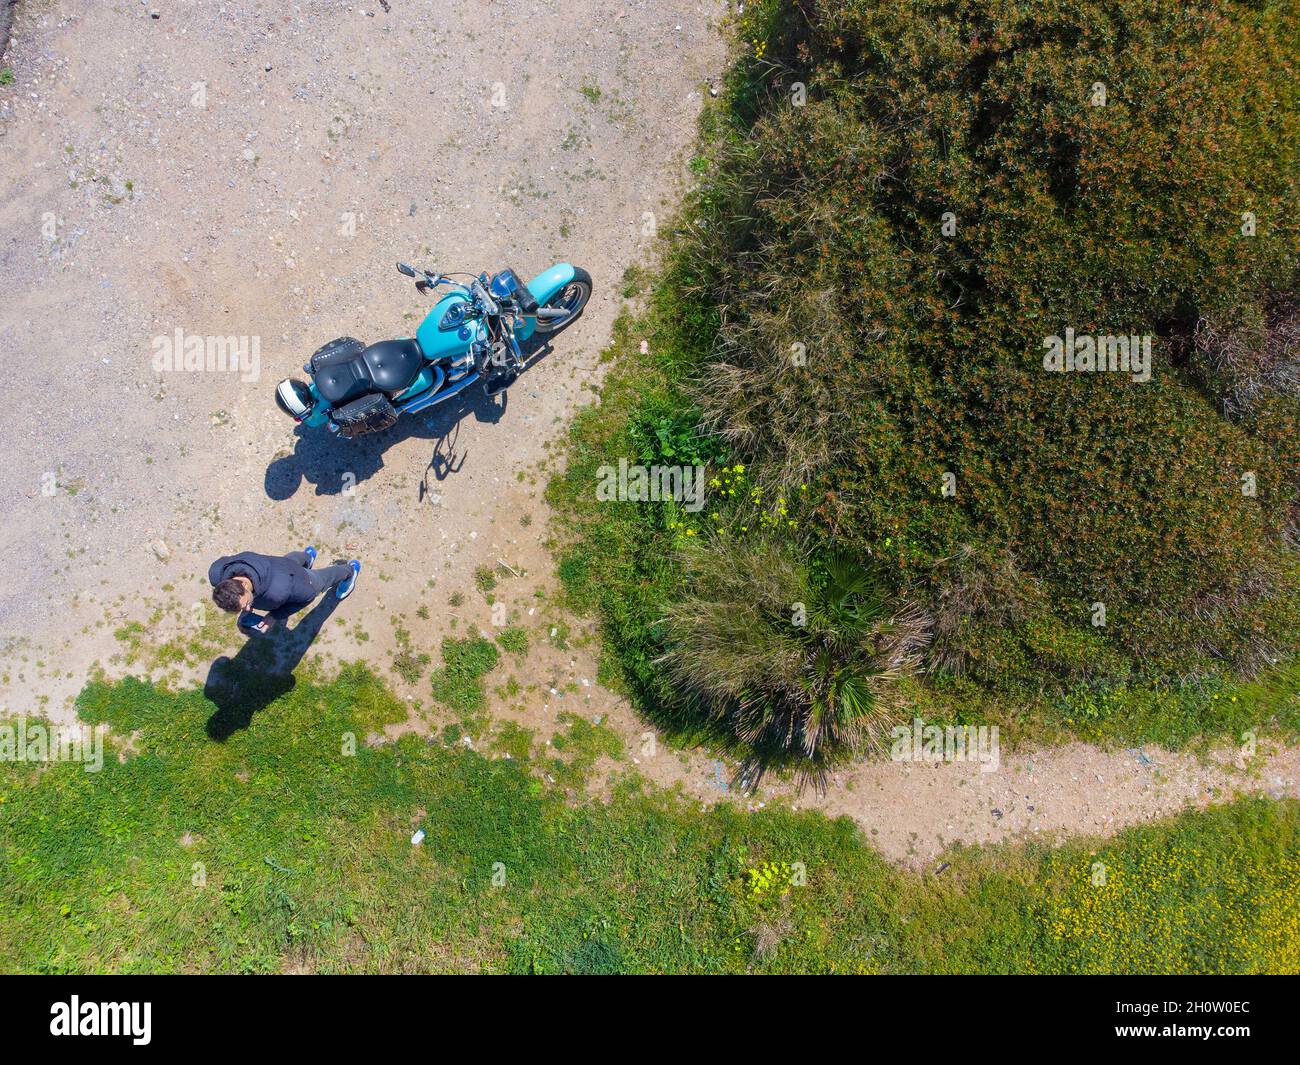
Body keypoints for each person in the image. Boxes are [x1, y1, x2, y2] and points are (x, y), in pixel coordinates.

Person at [209, 547, 360, 635]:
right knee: (291, 560)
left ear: (243, 584)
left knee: (322, 579)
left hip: (300, 579)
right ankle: (308, 556)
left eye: (246, 604)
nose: (248, 609)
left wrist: (275, 615)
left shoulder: (277, 591)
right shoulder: (216, 572)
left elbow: (308, 597)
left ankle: (350, 571)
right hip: (277, 565)